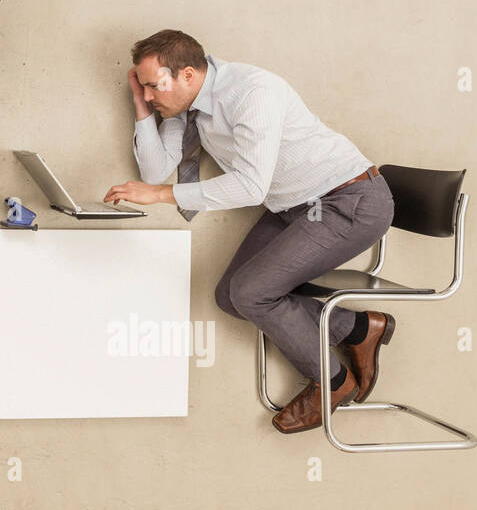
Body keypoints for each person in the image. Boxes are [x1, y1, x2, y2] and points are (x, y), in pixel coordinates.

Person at [103, 30, 396, 434]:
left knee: (251, 293)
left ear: (187, 74)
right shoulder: (184, 106)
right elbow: (154, 171)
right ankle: (360, 328)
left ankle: (332, 382)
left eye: (154, 85)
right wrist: (141, 106)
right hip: (295, 206)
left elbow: (250, 186)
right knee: (230, 297)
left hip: (348, 200)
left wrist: (161, 195)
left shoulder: (252, 92)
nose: (150, 94)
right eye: (146, 87)